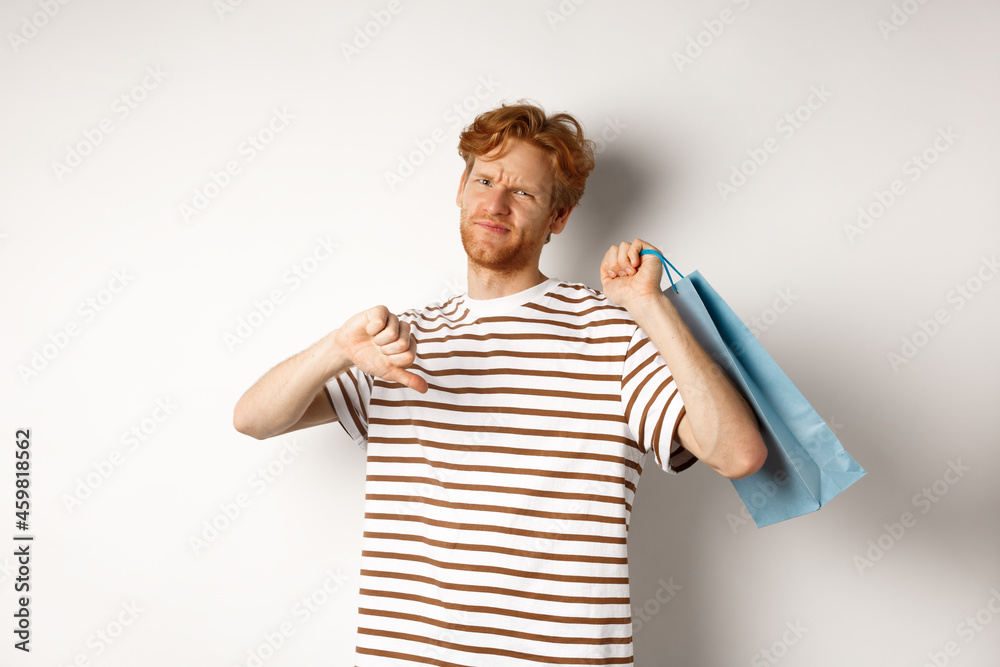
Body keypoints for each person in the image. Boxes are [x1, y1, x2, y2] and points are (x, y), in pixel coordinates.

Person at [233, 100, 766, 666]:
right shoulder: (398, 341)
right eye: (484, 179)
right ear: (461, 187)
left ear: (558, 218)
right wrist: (336, 349)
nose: (495, 203)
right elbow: (253, 419)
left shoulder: (608, 333)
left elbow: (737, 453)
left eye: (524, 193)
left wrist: (647, 306)